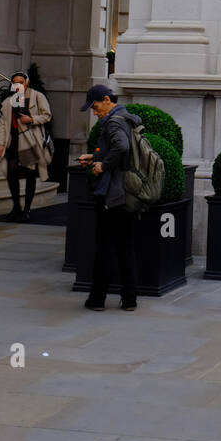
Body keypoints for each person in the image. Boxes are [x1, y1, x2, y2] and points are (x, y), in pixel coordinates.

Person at [77, 84, 142, 311]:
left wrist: (102, 166)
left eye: (95, 107)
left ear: (106, 99)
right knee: (125, 246)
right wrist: (95, 157)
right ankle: (130, 299)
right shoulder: (127, 119)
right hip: (127, 193)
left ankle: (97, 299)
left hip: (113, 194)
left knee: (105, 247)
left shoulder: (114, 122)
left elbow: (122, 148)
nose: (95, 112)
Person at [0, 71, 52, 221]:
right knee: (11, 173)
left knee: (30, 175)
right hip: (13, 142)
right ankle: (16, 207)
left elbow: (47, 116)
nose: (18, 84)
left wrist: (31, 119)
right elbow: (3, 123)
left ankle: (27, 208)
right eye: (15, 82)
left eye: (21, 81)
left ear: (27, 82)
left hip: (30, 141)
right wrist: (0, 143)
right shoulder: (10, 100)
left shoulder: (37, 96)